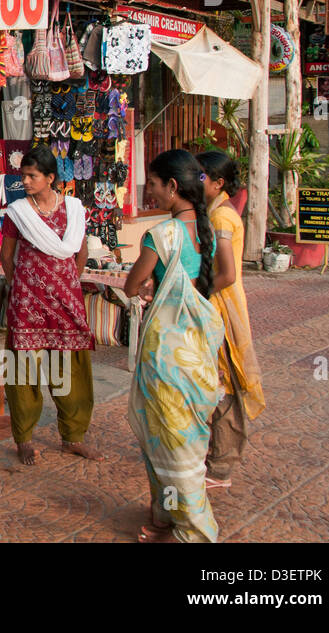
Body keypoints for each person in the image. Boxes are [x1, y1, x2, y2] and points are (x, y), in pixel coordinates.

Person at [124, 149, 225, 543]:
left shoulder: (160, 235)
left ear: (172, 186)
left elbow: (133, 286)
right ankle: (165, 515)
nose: (148, 190)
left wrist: (151, 287)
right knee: (185, 440)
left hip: (165, 350)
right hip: (199, 345)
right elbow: (209, 282)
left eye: (152, 183)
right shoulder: (207, 230)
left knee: (166, 439)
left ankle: (192, 527)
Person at [0, 145, 102, 465]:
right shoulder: (18, 213)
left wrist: (65, 283)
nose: (26, 182)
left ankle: (73, 436)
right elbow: (6, 256)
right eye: (23, 176)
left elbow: (80, 254)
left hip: (65, 302)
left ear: (50, 178)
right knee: (23, 370)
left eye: (33, 176)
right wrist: (24, 288)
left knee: (70, 368)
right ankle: (24, 439)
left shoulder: (73, 209)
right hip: (28, 302)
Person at [198, 150, 264, 490]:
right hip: (216, 304)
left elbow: (226, 273)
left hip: (221, 307)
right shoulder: (214, 211)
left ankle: (221, 464)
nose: (196, 183)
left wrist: (196, 293)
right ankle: (213, 456)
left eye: (201, 177)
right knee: (216, 383)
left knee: (224, 385)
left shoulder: (222, 218)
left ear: (218, 182)